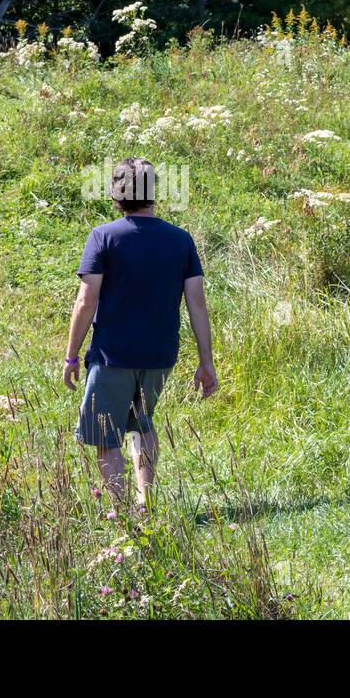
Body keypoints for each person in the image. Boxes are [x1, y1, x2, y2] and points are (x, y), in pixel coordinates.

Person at [63, 157, 217, 508]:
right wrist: (205, 361)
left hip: (113, 355)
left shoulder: (103, 236)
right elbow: (197, 302)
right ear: (153, 192)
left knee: (107, 434)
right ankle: (145, 502)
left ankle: (119, 510)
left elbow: (86, 300)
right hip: (161, 356)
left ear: (116, 192)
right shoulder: (181, 240)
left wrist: (71, 355)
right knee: (142, 424)